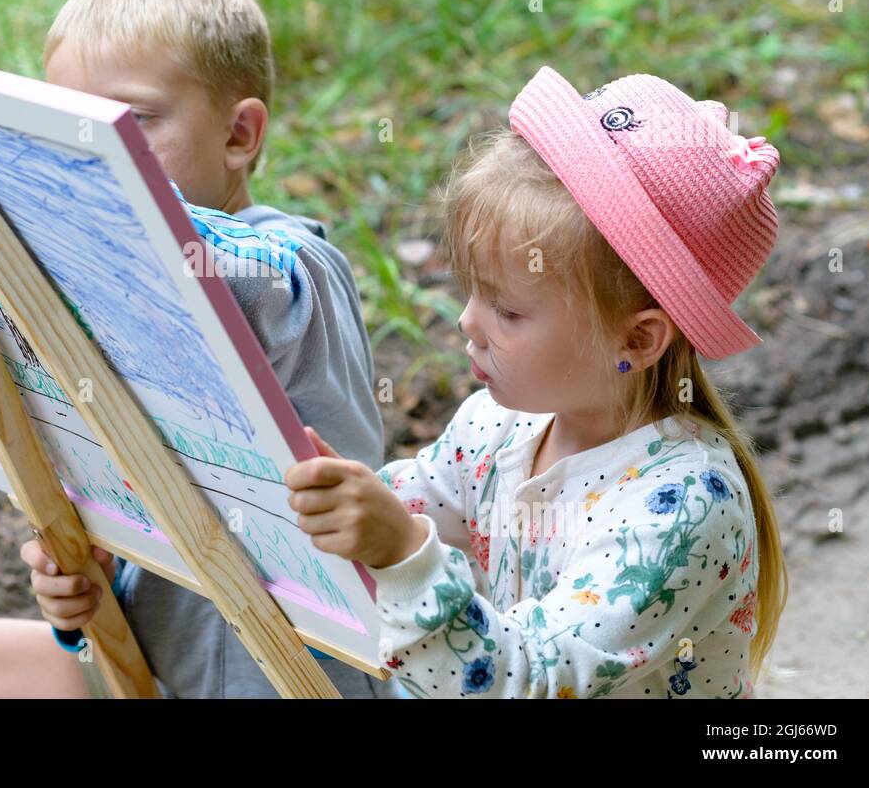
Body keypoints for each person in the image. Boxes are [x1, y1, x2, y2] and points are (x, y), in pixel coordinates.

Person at [0, 0, 399, 698]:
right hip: (151, 662)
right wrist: (80, 590)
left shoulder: (289, 271)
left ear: (240, 135)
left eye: (128, 126)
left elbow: (226, 275)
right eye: (61, 133)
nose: (84, 164)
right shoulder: (86, 290)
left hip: (293, 676)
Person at [285, 66, 788, 698]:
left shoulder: (684, 506)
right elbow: (409, 500)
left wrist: (402, 557)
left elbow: (523, 680)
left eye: (509, 311)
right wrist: (332, 504)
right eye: (470, 292)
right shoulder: (494, 426)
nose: (468, 323)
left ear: (636, 340)